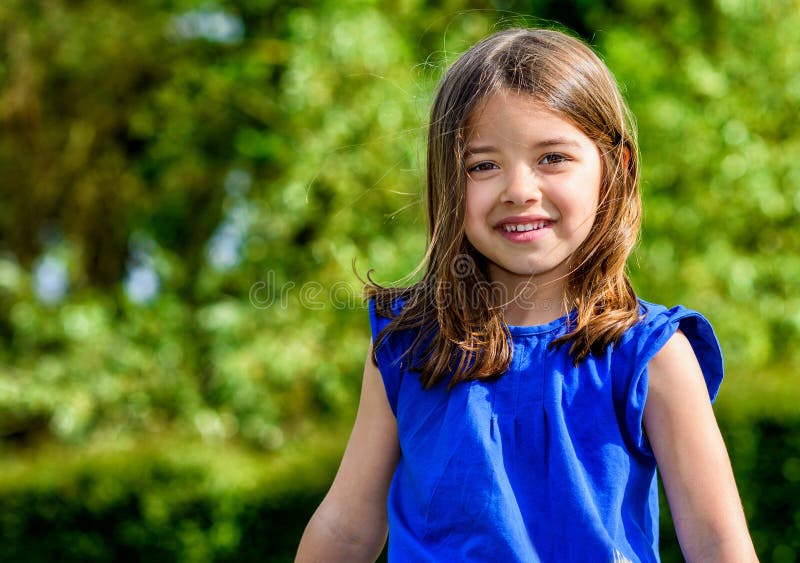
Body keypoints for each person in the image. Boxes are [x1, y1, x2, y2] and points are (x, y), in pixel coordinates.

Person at [295, 27, 758, 562]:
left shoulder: (653, 355)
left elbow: (717, 543)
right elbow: (346, 529)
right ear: (448, 182)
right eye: (483, 165)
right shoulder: (406, 347)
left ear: (616, 170)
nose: (519, 189)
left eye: (553, 158)